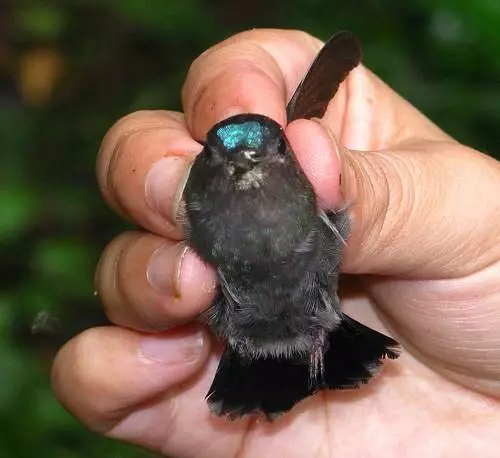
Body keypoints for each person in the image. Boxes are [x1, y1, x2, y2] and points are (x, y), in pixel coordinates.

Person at [51, 29, 500, 456]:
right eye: (221, 157)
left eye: (270, 152)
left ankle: (311, 351)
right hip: (247, 333)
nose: (245, 163)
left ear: (292, 154)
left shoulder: (314, 188)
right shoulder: (197, 210)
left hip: (316, 321)